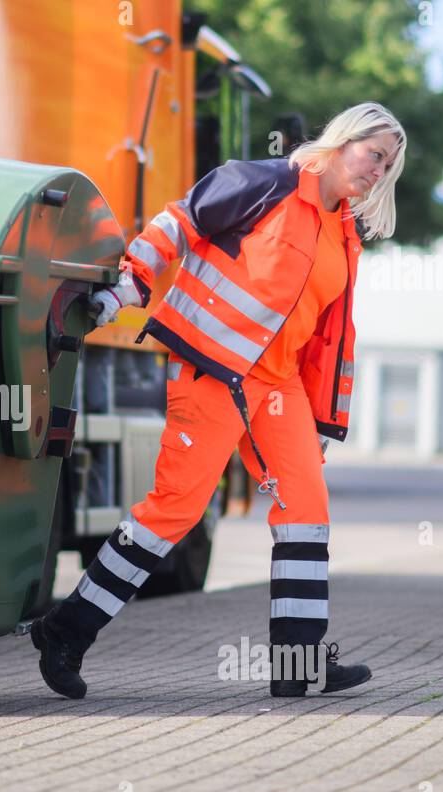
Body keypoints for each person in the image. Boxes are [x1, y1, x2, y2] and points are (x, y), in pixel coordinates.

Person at [32, 101, 407, 700]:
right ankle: (66, 630)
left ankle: (298, 665)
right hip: (213, 371)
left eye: (389, 165)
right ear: (343, 140)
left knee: (306, 511)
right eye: (374, 154)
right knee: (174, 511)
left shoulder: (344, 234)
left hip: (278, 388)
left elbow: (328, 338)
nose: (379, 171)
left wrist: (323, 420)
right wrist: (130, 285)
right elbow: (180, 221)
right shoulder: (270, 182)